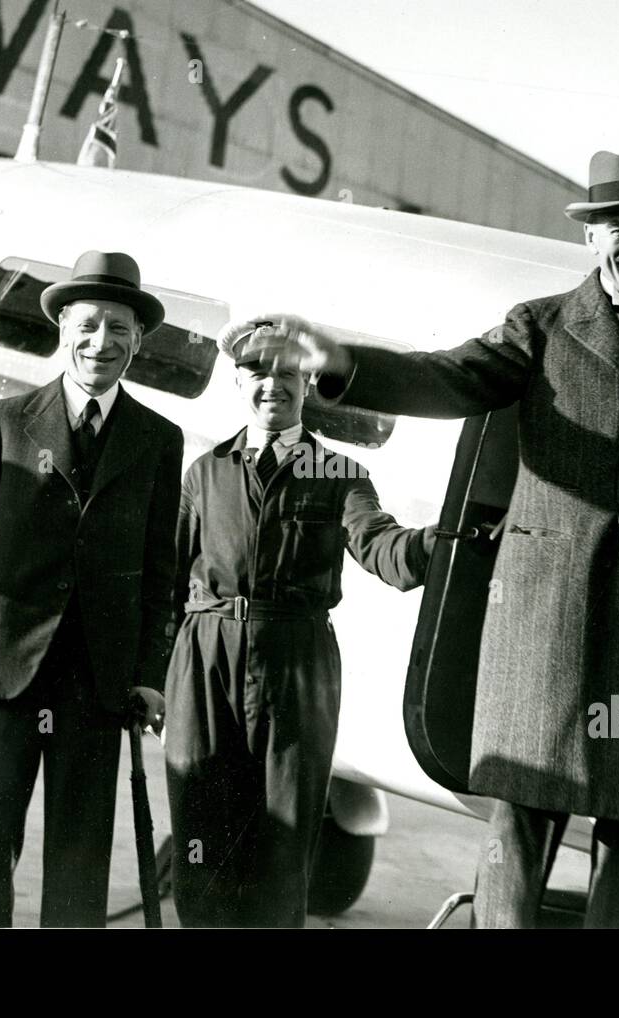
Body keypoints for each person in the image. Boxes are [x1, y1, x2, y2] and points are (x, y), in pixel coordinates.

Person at [225, 147, 619, 927]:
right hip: (546, 624)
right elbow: (446, 378)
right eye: (615, 226)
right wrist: (340, 363)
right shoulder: (539, 328)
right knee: (522, 827)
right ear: (591, 238)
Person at [0, 250, 183, 927]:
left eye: (121, 329)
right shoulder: (3, 420)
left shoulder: (159, 439)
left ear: (138, 341)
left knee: (77, 873)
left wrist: (152, 674)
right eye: (90, 324)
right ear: (62, 326)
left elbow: (163, 571)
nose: (104, 343)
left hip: (95, 687)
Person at [164, 323, 434, 927]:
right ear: (238, 381)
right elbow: (166, 580)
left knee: (282, 845)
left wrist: (439, 546)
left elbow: (381, 545)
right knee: (200, 835)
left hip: (297, 664)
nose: (272, 385)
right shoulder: (205, 473)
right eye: (258, 371)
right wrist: (158, 679)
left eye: (287, 372)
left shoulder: (339, 474)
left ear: (307, 383)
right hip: (205, 660)